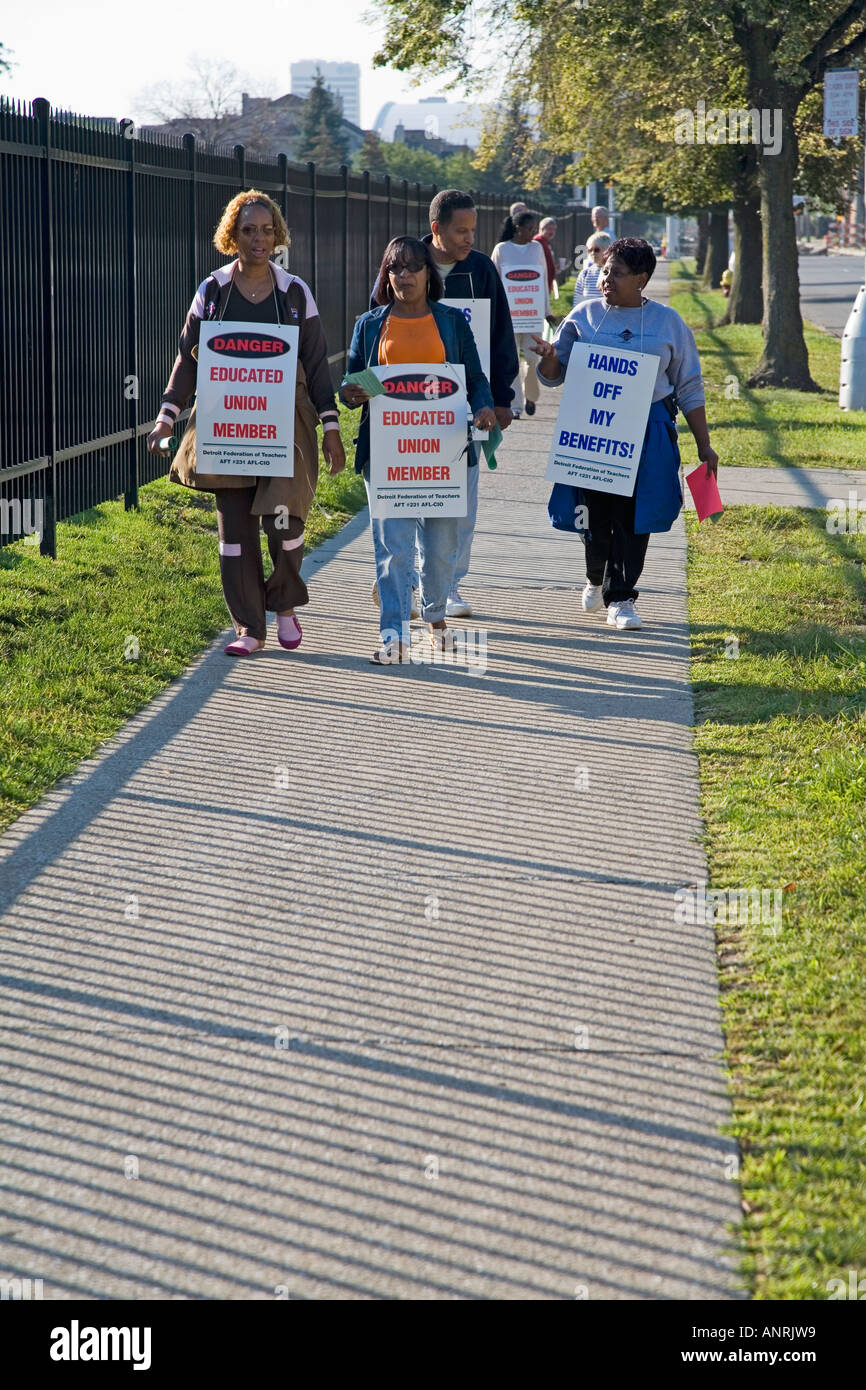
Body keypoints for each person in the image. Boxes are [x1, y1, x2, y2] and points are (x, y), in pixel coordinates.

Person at [148, 189, 345, 656]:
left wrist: (332, 428)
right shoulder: (211, 291)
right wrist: (167, 416)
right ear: (231, 235)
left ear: (277, 234)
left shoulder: (294, 293)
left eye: (267, 229)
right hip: (227, 426)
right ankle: (249, 628)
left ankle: (285, 605)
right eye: (248, 230)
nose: (259, 239)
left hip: (287, 426)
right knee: (234, 534)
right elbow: (187, 360)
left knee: (284, 523)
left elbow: (317, 366)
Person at [533, 237, 718, 631]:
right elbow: (553, 377)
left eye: (617, 273)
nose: (606, 279)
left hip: (648, 428)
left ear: (642, 279)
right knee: (595, 513)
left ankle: (623, 598)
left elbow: (688, 386)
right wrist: (549, 360)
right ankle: (595, 575)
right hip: (593, 429)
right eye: (604, 271)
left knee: (635, 515)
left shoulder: (668, 323)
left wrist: (704, 445)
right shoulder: (583, 315)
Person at [342, 236, 495, 665]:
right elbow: (357, 380)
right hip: (390, 453)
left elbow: (474, 378)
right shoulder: (371, 325)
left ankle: (434, 616)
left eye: (412, 267)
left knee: (443, 546)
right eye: (395, 268)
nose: (404, 275)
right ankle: (394, 633)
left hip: (445, 451)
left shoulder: (450, 322)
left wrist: (483, 407)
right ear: (386, 276)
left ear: (430, 273)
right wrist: (354, 392)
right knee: (393, 547)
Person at [424, 190, 519, 616]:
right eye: (460, 231)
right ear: (436, 229)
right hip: (411, 404)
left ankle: (448, 584)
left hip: (469, 405)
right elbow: (377, 321)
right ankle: (415, 580)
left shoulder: (481, 270)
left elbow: (499, 333)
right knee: (414, 494)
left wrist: (503, 398)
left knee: (462, 498)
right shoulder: (408, 262)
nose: (468, 239)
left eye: (472, 230)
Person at [491, 211, 552, 419]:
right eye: (530, 229)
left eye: (535, 229)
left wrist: (547, 311)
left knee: (533, 357)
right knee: (512, 361)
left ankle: (531, 396)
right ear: (518, 228)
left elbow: (543, 280)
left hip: (532, 314)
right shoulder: (502, 249)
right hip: (509, 316)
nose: (533, 233)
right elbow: (494, 281)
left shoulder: (537, 248)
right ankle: (515, 405)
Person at [573, 232, 611, 304]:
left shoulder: (612, 273)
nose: (592, 253)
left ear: (607, 250)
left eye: (596, 250)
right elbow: (577, 300)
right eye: (590, 250)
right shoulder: (585, 274)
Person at [534, 217, 558, 296]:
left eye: (554, 229)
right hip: (540, 282)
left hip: (546, 282)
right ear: (541, 228)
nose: (552, 232)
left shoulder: (545, 242)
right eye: (550, 229)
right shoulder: (537, 242)